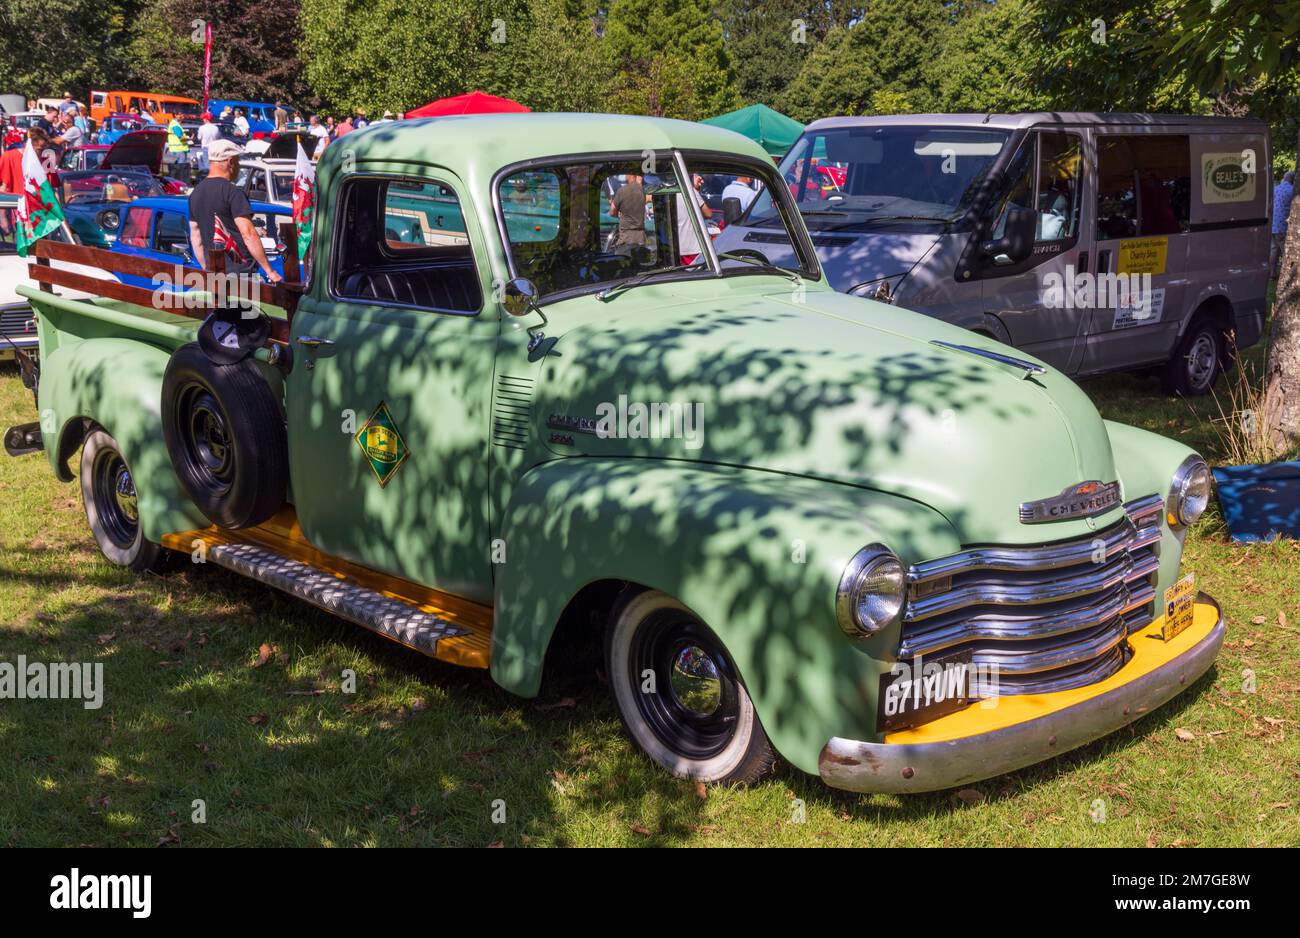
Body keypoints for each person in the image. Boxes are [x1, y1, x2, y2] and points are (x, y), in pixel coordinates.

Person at [188, 139, 282, 283]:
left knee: (221, 306)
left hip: (214, 275)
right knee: (244, 306)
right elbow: (248, 235)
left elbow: (196, 238)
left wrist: (206, 267)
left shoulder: (195, 194)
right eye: (237, 161)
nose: (238, 167)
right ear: (230, 162)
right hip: (241, 274)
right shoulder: (233, 193)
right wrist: (270, 271)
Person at [675, 173, 713, 264]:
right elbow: (708, 213)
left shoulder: (673, 192)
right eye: (699, 176)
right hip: (693, 248)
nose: (702, 181)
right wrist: (696, 190)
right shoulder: (691, 191)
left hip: (679, 247)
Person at [608, 174, 647, 257]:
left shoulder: (622, 191)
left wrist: (619, 212)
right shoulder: (644, 190)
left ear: (631, 175)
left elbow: (611, 212)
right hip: (641, 239)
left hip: (626, 240)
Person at [1272, 170, 1295, 279]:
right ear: (1292, 180)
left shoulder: (1275, 189)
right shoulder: (1292, 191)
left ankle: (1272, 273)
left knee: (1274, 250)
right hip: (1283, 226)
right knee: (1286, 252)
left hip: (1273, 226)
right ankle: (1288, 276)